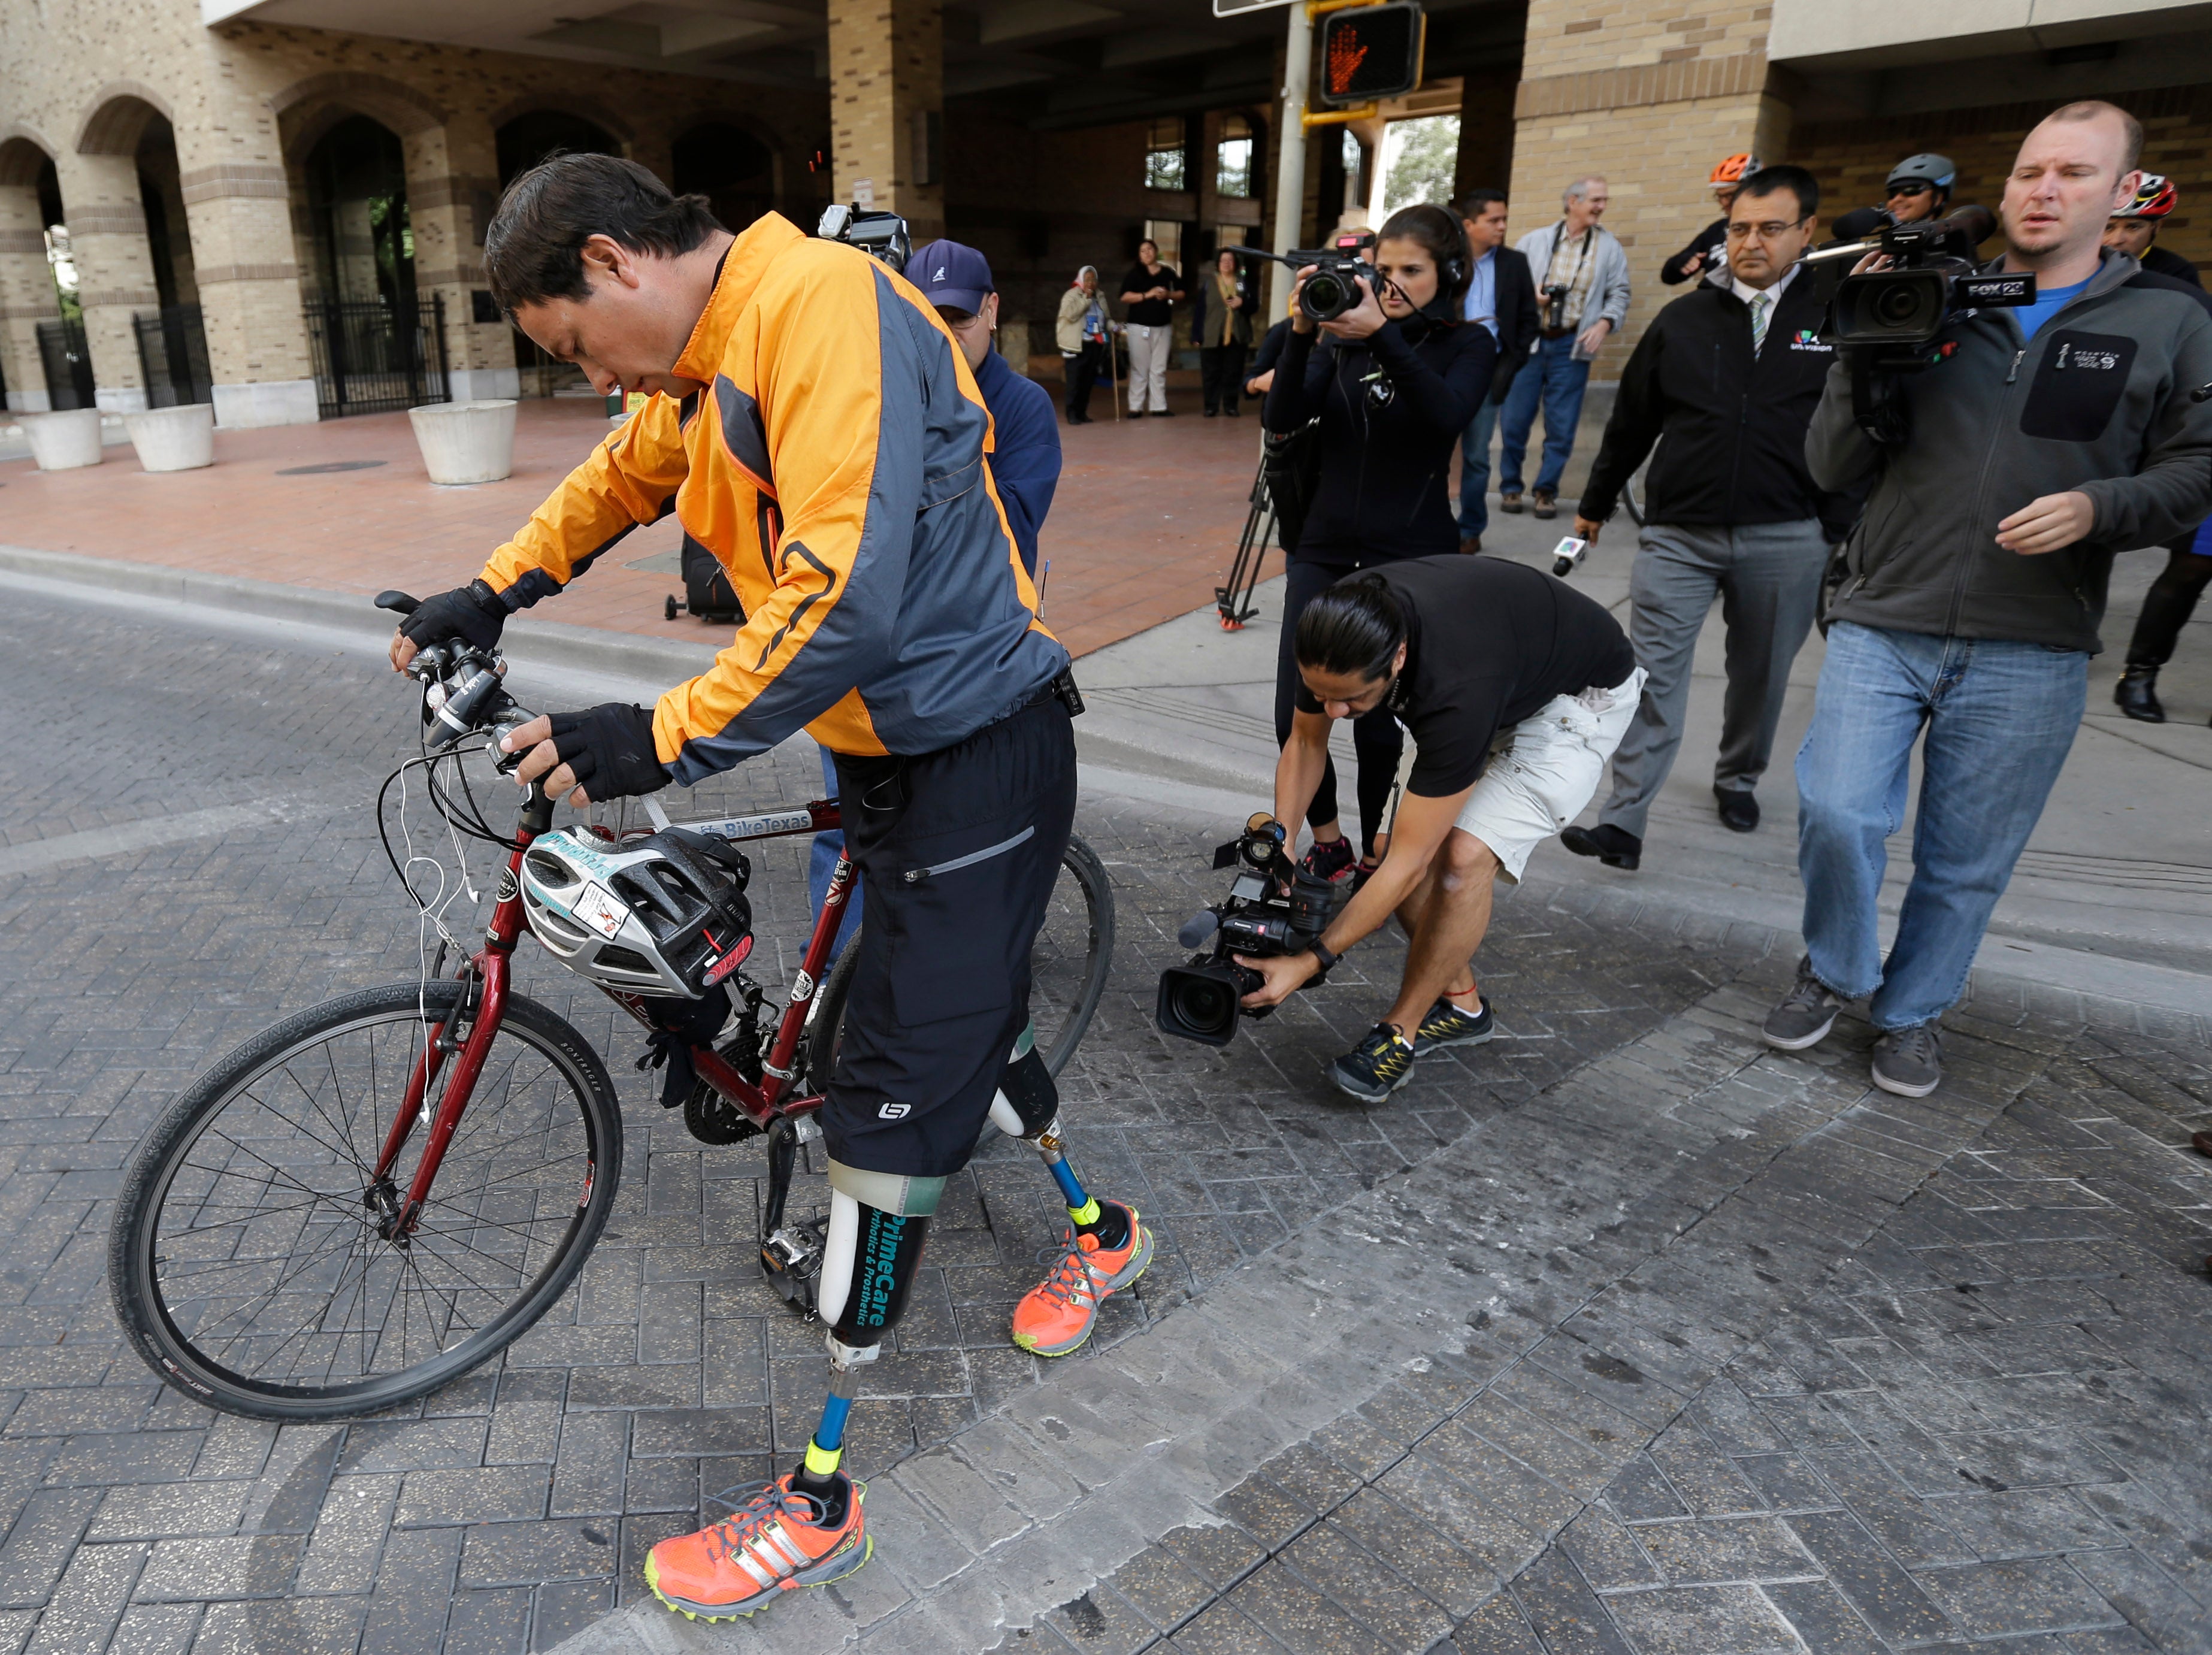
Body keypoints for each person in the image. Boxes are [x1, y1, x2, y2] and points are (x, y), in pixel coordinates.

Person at [386, 155, 1149, 1621]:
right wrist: (495, 585)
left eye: (572, 343)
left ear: (613, 262)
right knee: (966, 1015)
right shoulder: (711, 345)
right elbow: (622, 474)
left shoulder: (818, 307)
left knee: (885, 1114)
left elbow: (842, 592)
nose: (590, 377)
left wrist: (656, 733)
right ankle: (1102, 1231)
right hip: (884, 757)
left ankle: (821, 1496)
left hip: (977, 754)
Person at [1766, 101, 2212, 1099]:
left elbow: (2198, 466)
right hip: (1885, 610)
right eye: (2028, 171)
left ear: (2121, 193)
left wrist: (2100, 506)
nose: (2044, 190)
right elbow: (1830, 465)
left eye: (2074, 173)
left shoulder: (2170, 319)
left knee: (1965, 859)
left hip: (2033, 636)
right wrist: (1859, 347)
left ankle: (1912, 1010)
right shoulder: (1938, 297)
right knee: (1835, 811)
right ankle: (1834, 966)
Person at [1237, 558, 1640, 1102]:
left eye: (1351, 700)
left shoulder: (1456, 687)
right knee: (1386, 850)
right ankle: (1463, 1005)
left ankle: (1399, 1033)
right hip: (1500, 670)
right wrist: (1281, 843)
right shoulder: (1335, 633)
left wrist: (1309, 963)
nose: (1333, 709)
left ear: (1397, 658)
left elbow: (1412, 864)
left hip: (1573, 700)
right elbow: (1307, 740)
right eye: (1321, 694)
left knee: (1459, 858)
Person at [1562, 164, 1843, 871]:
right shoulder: (1683, 320)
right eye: (1739, 228)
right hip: (1679, 536)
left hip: (1786, 535)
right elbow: (1631, 423)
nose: (1751, 242)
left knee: (1760, 677)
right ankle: (1623, 819)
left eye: (1771, 228)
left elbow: (1865, 426)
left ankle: (1738, 777)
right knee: (1649, 677)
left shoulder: (1836, 315)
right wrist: (1594, 507)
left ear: (1806, 231)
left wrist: (1836, 523)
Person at [801, 238, 1067, 960]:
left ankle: (966, 966)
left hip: (970, 658)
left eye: (960, 318)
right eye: (928, 317)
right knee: (847, 825)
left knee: (959, 829)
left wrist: (946, 433)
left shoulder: (1021, 406)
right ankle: (834, 980)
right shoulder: (875, 393)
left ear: (992, 310)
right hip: (872, 650)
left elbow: (1004, 532)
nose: (945, 334)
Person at [1263, 204, 1495, 888]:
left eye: (1411, 270)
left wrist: (1384, 337)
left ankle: (1378, 850)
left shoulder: (1467, 344)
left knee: (1378, 724)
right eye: (1383, 268)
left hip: (1412, 557)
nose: (1392, 284)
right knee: (1296, 711)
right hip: (1323, 547)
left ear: (1449, 274)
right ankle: (1327, 840)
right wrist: (1303, 332)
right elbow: (1282, 416)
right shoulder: (1342, 341)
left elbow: (1445, 417)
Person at [2108, 176, 2212, 722]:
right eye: (2111, 224)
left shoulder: (2175, 277)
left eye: (2132, 226)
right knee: (2190, 565)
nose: (2119, 237)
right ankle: (2138, 674)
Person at [1497, 176, 1629, 521]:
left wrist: (1604, 324)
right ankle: (1510, 486)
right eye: (1596, 200)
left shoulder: (1609, 248)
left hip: (1572, 345)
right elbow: (1508, 287)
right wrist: (1532, 297)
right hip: (1530, 343)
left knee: (1562, 425)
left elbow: (1620, 293)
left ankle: (1546, 491)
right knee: (1514, 420)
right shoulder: (1534, 241)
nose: (1602, 207)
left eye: (1604, 201)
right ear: (1573, 201)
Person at [1450, 187, 1539, 554]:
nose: (1502, 226)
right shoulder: (1446, 260)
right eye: (1494, 220)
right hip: (1445, 369)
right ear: (1469, 225)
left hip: (1489, 373)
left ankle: (1470, 530)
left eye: (1505, 219)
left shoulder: (1514, 264)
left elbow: (1529, 320)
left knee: (1476, 455)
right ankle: (1427, 523)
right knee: (1432, 454)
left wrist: (1511, 364)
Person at [1661, 153, 1758, 286]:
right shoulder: (1717, 230)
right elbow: (1669, 277)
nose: (1724, 203)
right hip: (1715, 297)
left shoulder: (1773, 230)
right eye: (1720, 196)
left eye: (1730, 195)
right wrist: (1683, 262)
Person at [1118, 237, 1184, 416]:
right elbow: (1124, 297)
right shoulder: (1134, 274)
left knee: (1159, 368)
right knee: (1139, 368)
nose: (1147, 253)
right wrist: (1148, 294)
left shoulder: (1167, 272)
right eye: (1143, 251)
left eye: (1149, 249)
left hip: (1163, 326)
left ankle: (1159, 406)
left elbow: (1181, 293)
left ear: (1156, 252)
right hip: (1139, 327)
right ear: (1139, 256)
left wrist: (1168, 294)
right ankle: (1135, 407)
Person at [1829, 153, 1956, 243]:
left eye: (1911, 191)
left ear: (1938, 198)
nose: (1897, 199)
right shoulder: (1876, 253)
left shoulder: (1952, 247)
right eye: (1893, 193)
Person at [2102, 173, 2199, 286]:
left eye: (2133, 227)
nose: (2117, 240)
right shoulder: (2083, 265)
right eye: (2108, 228)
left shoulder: (2177, 272)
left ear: (2156, 227)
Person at [1193, 247, 1255, 416]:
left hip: (1237, 334)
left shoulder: (1243, 283)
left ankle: (1231, 406)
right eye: (1223, 260)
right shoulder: (1209, 284)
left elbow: (1254, 306)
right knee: (1210, 373)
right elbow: (1200, 311)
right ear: (1218, 264)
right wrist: (1196, 335)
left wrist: (1242, 304)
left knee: (1233, 372)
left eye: (1230, 260)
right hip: (1211, 334)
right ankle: (1211, 406)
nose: (1227, 263)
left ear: (1235, 264)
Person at [1056, 264, 1110, 423]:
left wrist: (1113, 326)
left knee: (1088, 381)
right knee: (1075, 382)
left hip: (1094, 344)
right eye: (1087, 279)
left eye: (1093, 279)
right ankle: (1072, 414)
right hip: (1076, 345)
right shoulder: (1072, 295)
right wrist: (1086, 299)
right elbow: (1070, 315)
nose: (1090, 283)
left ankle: (1082, 412)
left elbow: (1106, 318)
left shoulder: (1099, 296)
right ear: (1081, 280)